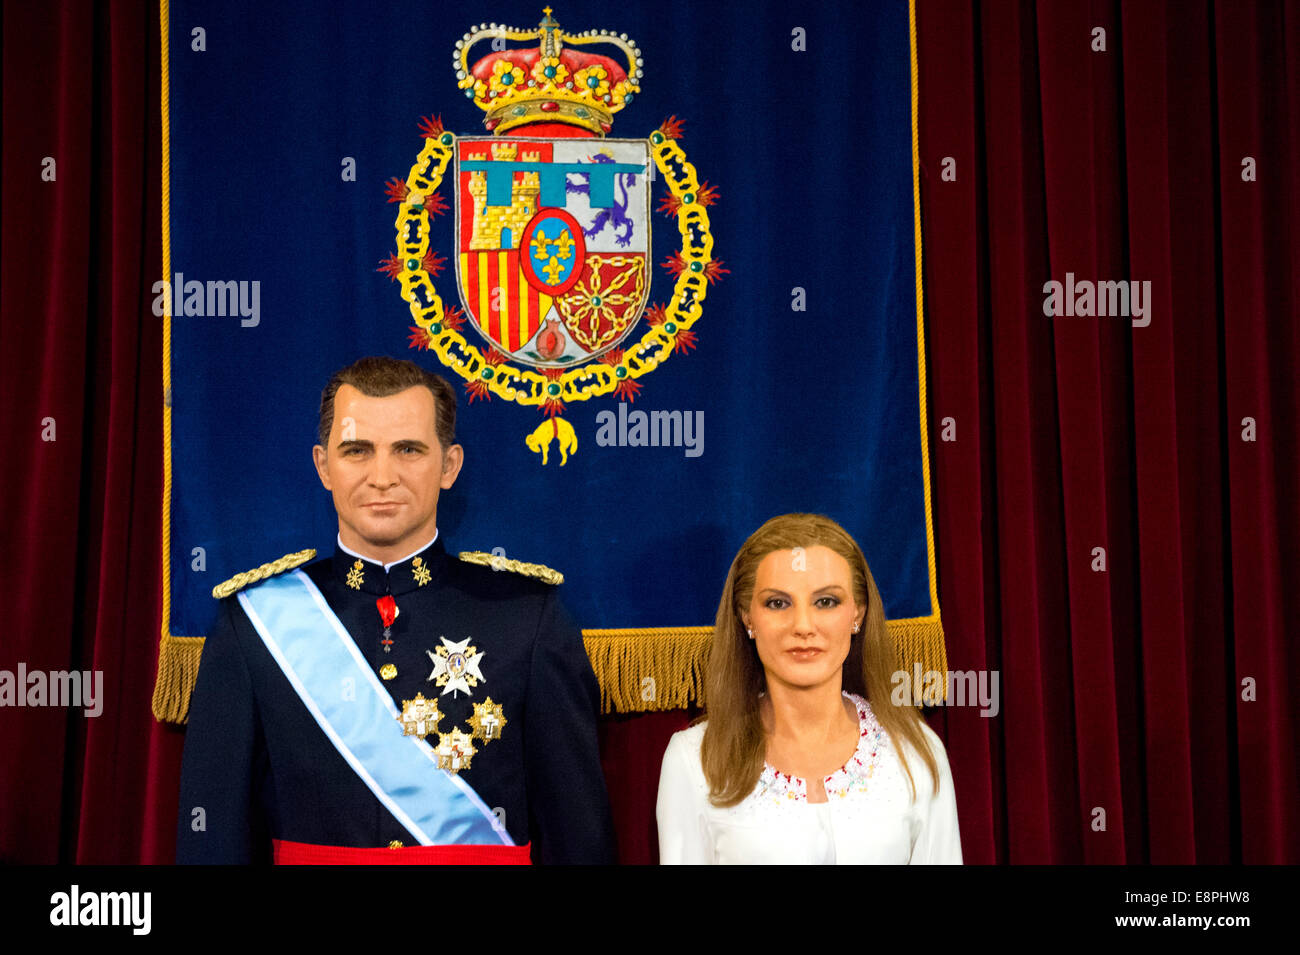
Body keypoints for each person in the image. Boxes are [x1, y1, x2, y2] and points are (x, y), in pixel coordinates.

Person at [176, 356, 615, 864]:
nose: (382, 476)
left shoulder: (527, 617)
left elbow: (578, 834)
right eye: (357, 451)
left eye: (408, 449)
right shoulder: (252, 622)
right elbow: (214, 840)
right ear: (324, 466)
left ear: (449, 466)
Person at [655, 513, 962, 864]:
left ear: (857, 613)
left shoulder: (915, 752)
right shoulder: (695, 759)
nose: (803, 625)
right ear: (747, 617)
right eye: (777, 603)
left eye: (826, 602)